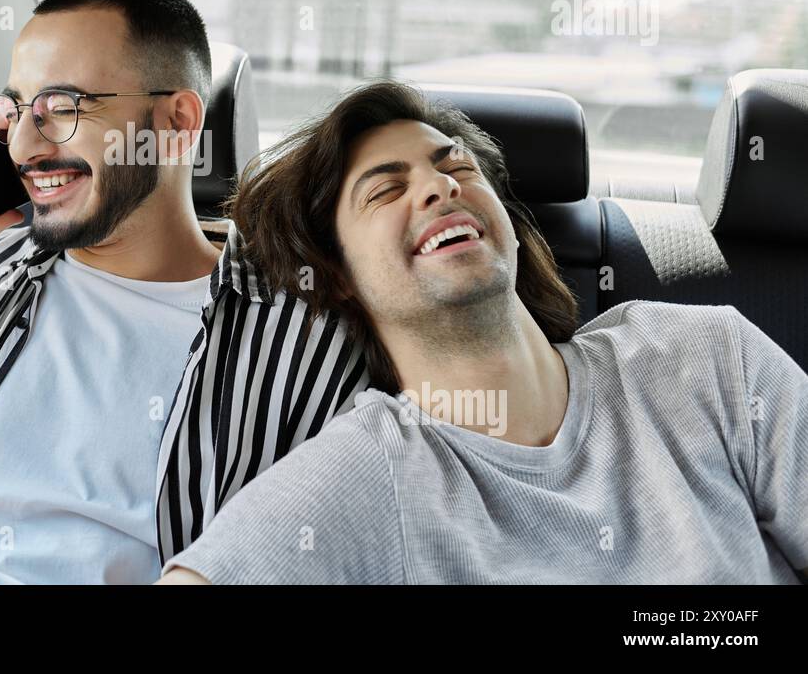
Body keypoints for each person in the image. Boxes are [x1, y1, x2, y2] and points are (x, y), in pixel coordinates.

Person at [159, 80, 808, 584]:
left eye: (458, 167)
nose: (440, 187)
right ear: (339, 277)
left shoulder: (704, 356)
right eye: (384, 191)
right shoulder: (362, 476)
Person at [0, 0, 367, 582]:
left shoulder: (305, 342)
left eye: (62, 108)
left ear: (175, 121)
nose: (25, 147)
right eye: (14, 111)